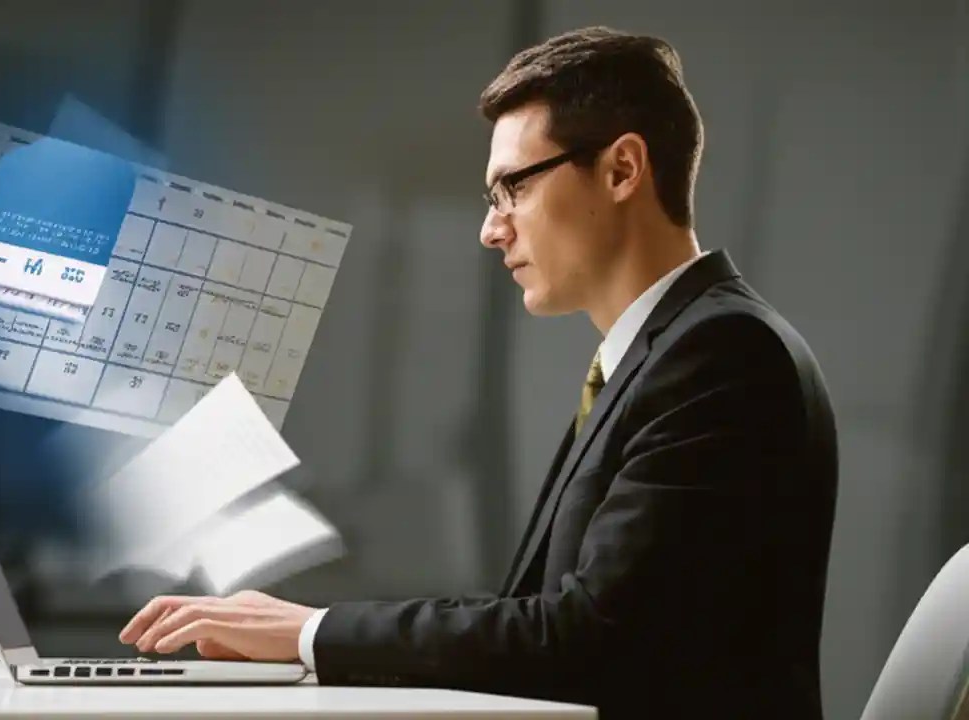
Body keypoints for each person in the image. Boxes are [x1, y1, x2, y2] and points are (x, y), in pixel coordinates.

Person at [119, 25, 838, 720]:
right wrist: (311, 632)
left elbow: (587, 639)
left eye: (512, 188)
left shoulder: (720, 356)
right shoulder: (664, 353)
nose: (492, 229)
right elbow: (543, 619)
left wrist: (310, 633)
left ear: (622, 169)